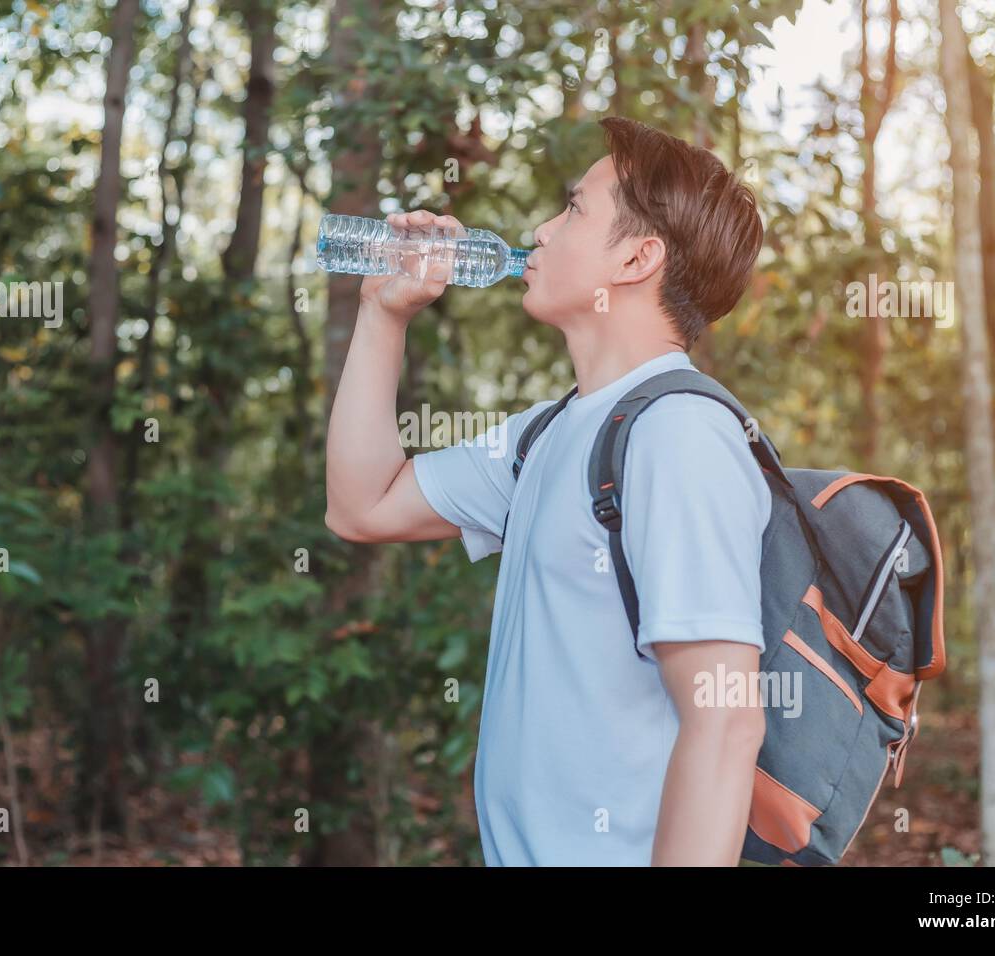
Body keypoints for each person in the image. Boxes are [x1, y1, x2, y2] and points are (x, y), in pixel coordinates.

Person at [324, 116, 770, 866]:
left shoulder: (681, 435)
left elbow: (725, 720)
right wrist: (382, 313)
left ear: (637, 257)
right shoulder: (549, 434)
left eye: (573, 209)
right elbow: (360, 506)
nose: (540, 226)